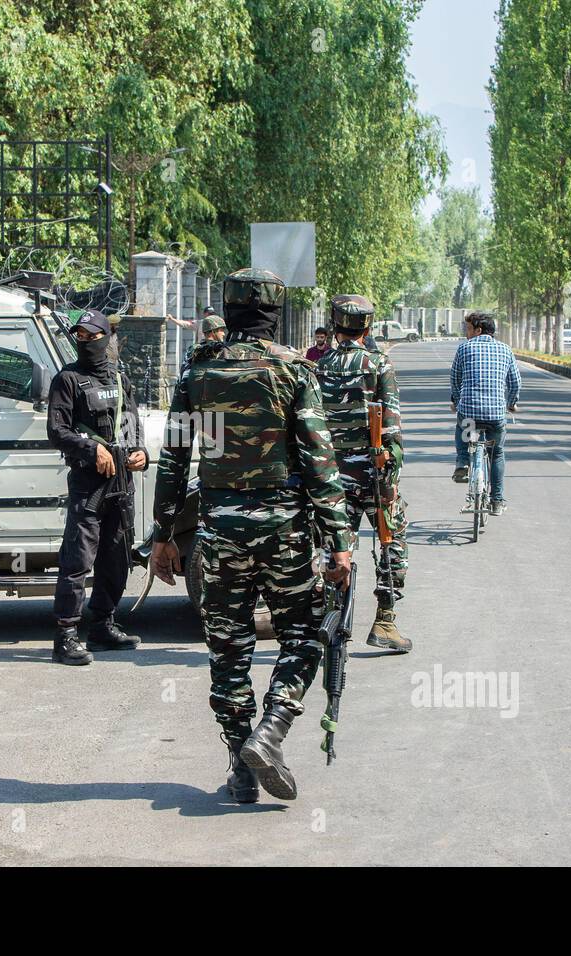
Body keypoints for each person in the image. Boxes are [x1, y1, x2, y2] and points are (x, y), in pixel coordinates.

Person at [151, 268, 352, 804]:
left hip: (218, 532)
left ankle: (241, 762)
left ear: (230, 308)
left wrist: (164, 535)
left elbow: (173, 459)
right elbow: (319, 461)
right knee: (306, 633)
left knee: (229, 649)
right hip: (284, 529)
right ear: (275, 311)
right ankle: (272, 729)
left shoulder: (197, 373)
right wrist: (339, 541)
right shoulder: (293, 371)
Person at [46, 309, 147, 665]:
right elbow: (56, 431)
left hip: (122, 481)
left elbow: (133, 420)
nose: (86, 341)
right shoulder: (68, 380)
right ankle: (66, 636)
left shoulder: (120, 379)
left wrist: (140, 453)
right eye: (81, 336)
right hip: (89, 484)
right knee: (77, 560)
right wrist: (92, 449)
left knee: (117, 558)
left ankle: (103, 624)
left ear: (106, 338)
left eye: (92, 335)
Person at [316, 295, 411, 651]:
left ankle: (330, 615)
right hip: (374, 474)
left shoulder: (319, 366)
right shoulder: (378, 364)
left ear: (335, 325)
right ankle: (385, 621)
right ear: (367, 327)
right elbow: (391, 426)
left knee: (335, 546)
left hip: (332, 479)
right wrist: (392, 474)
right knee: (393, 540)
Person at [450, 311, 520, 514]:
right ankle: (497, 501)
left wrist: (456, 401)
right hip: (495, 416)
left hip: (470, 414)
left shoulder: (464, 348)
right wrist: (511, 403)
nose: (466, 334)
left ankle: (462, 462)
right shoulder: (505, 350)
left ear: (478, 330)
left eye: (468, 329)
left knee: (464, 429)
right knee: (496, 453)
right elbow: (515, 382)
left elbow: (455, 379)